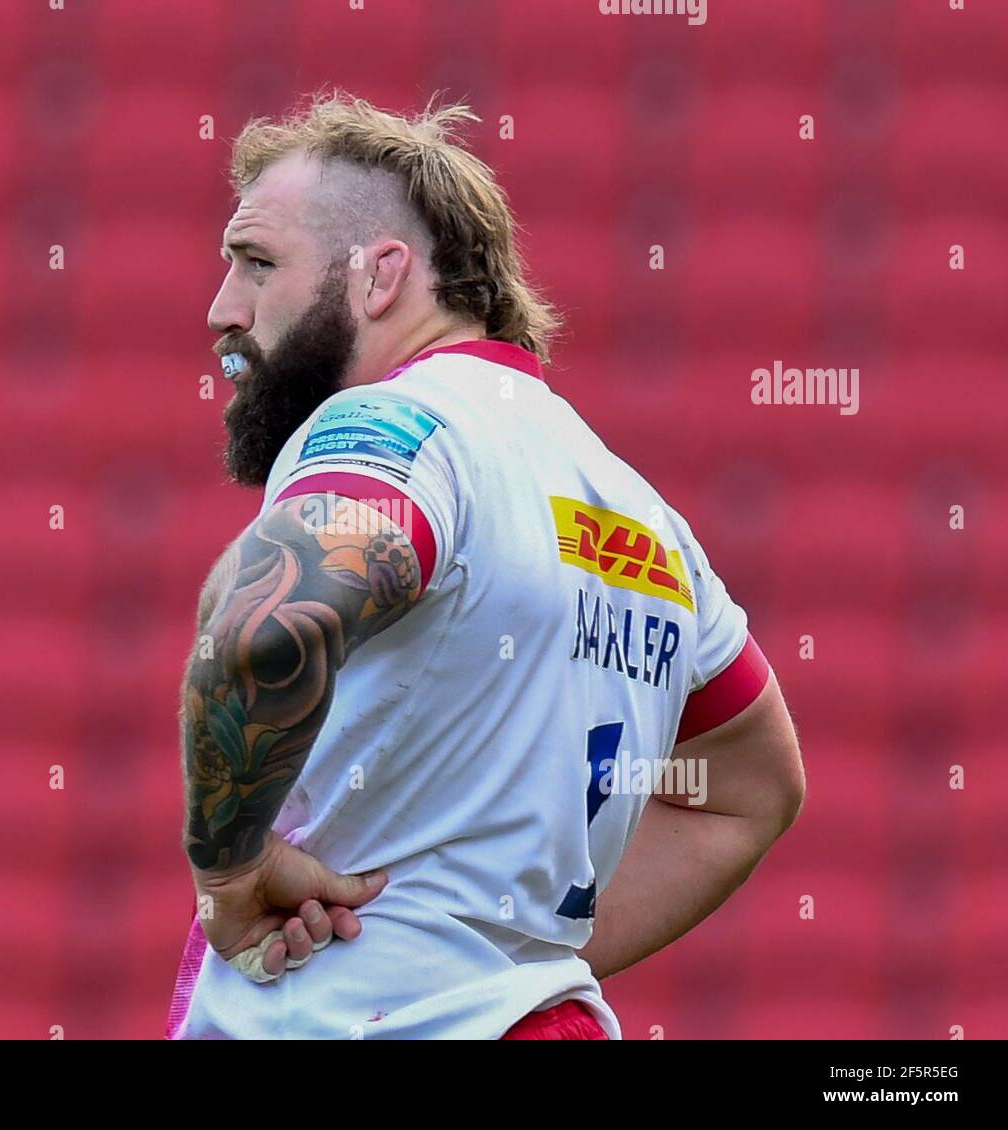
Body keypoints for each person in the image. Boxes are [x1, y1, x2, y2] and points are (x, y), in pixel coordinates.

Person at [167, 91, 805, 1040]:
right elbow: (749, 793)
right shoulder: (642, 516)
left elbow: (266, 627)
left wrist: (230, 873)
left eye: (258, 263)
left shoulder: (391, 424)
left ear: (380, 277)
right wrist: (505, 961)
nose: (223, 310)